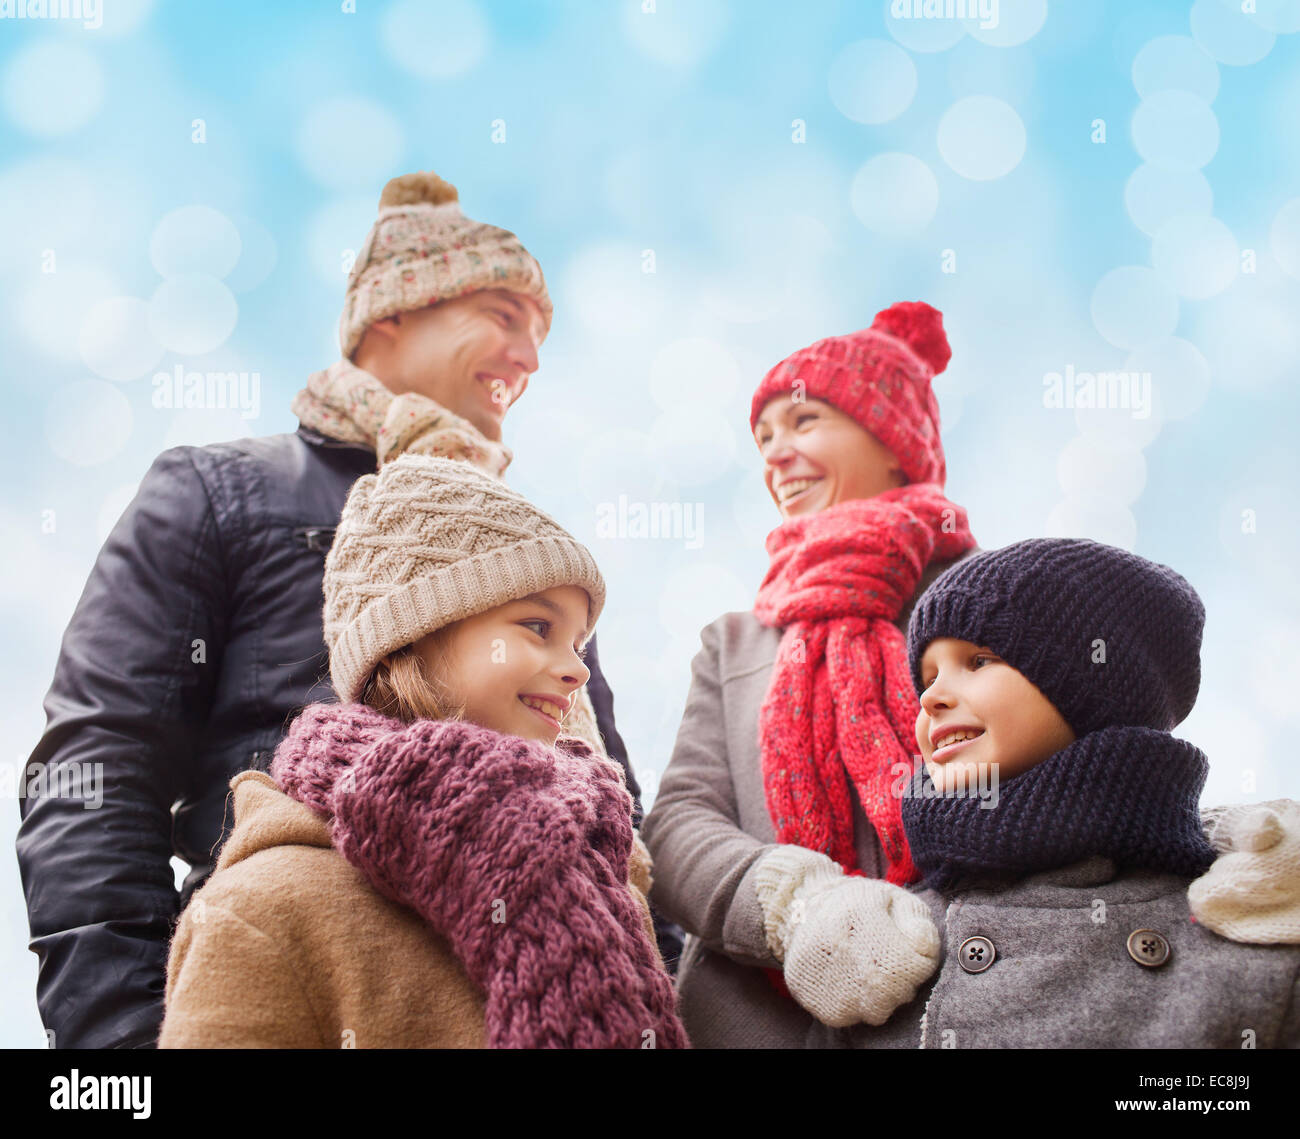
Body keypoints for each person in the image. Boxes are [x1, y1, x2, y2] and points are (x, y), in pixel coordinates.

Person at [17, 169, 658, 1050]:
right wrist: (127, 1046)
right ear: (390, 317)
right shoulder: (218, 492)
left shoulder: (532, 561)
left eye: (540, 334)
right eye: (503, 316)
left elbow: (613, 802)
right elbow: (96, 768)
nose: (530, 358)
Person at [159, 456, 687, 1048]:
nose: (575, 669)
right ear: (413, 633)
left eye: (578, 643)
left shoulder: (600, 877)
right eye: (538, 626)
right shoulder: (265, 909)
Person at [775, 538, 1299, 1048]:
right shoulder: (887, 948)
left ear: (1100, 689)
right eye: (927, 678)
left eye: (978, 660)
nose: (932, 697)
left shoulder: (1247, 914)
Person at [642, 301, 981, 1046]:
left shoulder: (989, 604)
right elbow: (675, 826)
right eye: (763, 438)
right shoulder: (733, 641)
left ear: (895, 442)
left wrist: (917, 924)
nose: (776, 454)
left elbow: (1051, 782)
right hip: (745, 1022)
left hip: (956, 1008)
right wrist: (797, 909)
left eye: (804, 423)